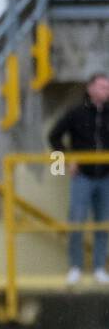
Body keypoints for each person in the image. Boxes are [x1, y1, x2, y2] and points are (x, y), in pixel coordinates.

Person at [48, 72, 109, 285]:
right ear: (90, 88)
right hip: (82, 177)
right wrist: (64, 162)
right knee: (77, 221)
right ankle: (75, 267)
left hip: (106, 177)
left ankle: (100, 268)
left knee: (103, 223)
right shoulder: (76, 112)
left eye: (107, 87)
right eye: (102, 87)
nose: (106, 91)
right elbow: (53, 136)